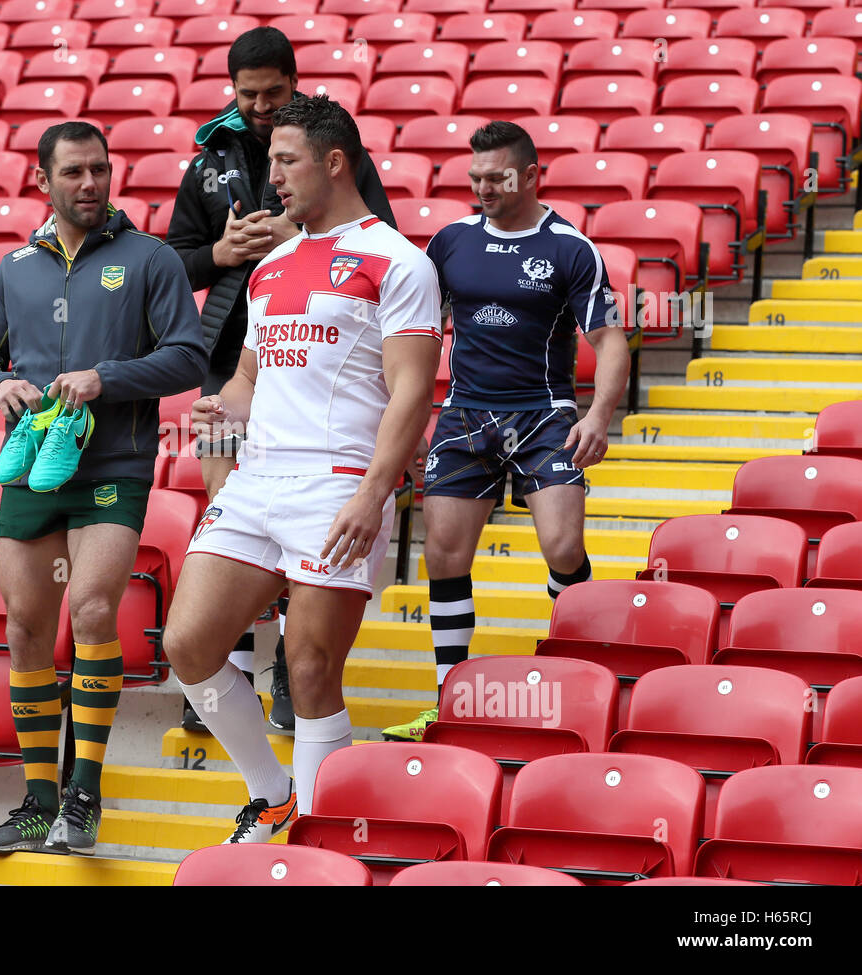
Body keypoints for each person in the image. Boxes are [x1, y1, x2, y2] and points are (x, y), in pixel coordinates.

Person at [161, 95, 442, 841]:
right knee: (187, 643)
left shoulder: (400, 262)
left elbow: (412, 388)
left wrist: (374, 492)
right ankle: (274, 793)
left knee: (311, 667)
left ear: (334, 161)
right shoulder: (271, 264)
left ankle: (317, 843)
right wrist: (223, 405)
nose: (272, 176)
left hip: (340, 480)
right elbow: (251, 376)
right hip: (257, 478)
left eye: (285, 161)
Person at [0, 121, 207, 855]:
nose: (91, 184)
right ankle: (38, 801)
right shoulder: (15, 267)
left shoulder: (150, 259)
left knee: (95, 606)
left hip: (113, 467)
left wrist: (107, 378)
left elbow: (189, 357)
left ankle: (85, 793)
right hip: (34, 462)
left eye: (100, 169)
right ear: (45, 182)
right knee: (24, 627)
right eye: (74, 173)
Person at [165, 26, 398, 733]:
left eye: (274, 94)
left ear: (294, 85)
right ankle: (224, 670)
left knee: (302, 523)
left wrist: (297, 242)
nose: (262, 107)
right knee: (227, 519)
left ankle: (294, 672)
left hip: (319, 361)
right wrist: (221, 250)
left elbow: (375, 233)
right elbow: (172, 263)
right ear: (231, 92)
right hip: (230, 354)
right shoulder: (207, 158)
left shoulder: (328, 145)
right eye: (249, 95)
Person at [381, 120, 631, 742]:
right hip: (465, 414)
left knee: (563, 548)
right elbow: (411, 334)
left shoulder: (571, 248)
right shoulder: (450, 242)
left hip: (545, 414)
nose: (482, 188)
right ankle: (449, 696)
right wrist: (407, 423)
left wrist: (598, 416)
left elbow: (609, 339)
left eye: (495, 178)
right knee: (441, 553)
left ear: (530, 176)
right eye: (475, 178)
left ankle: (578, 677)